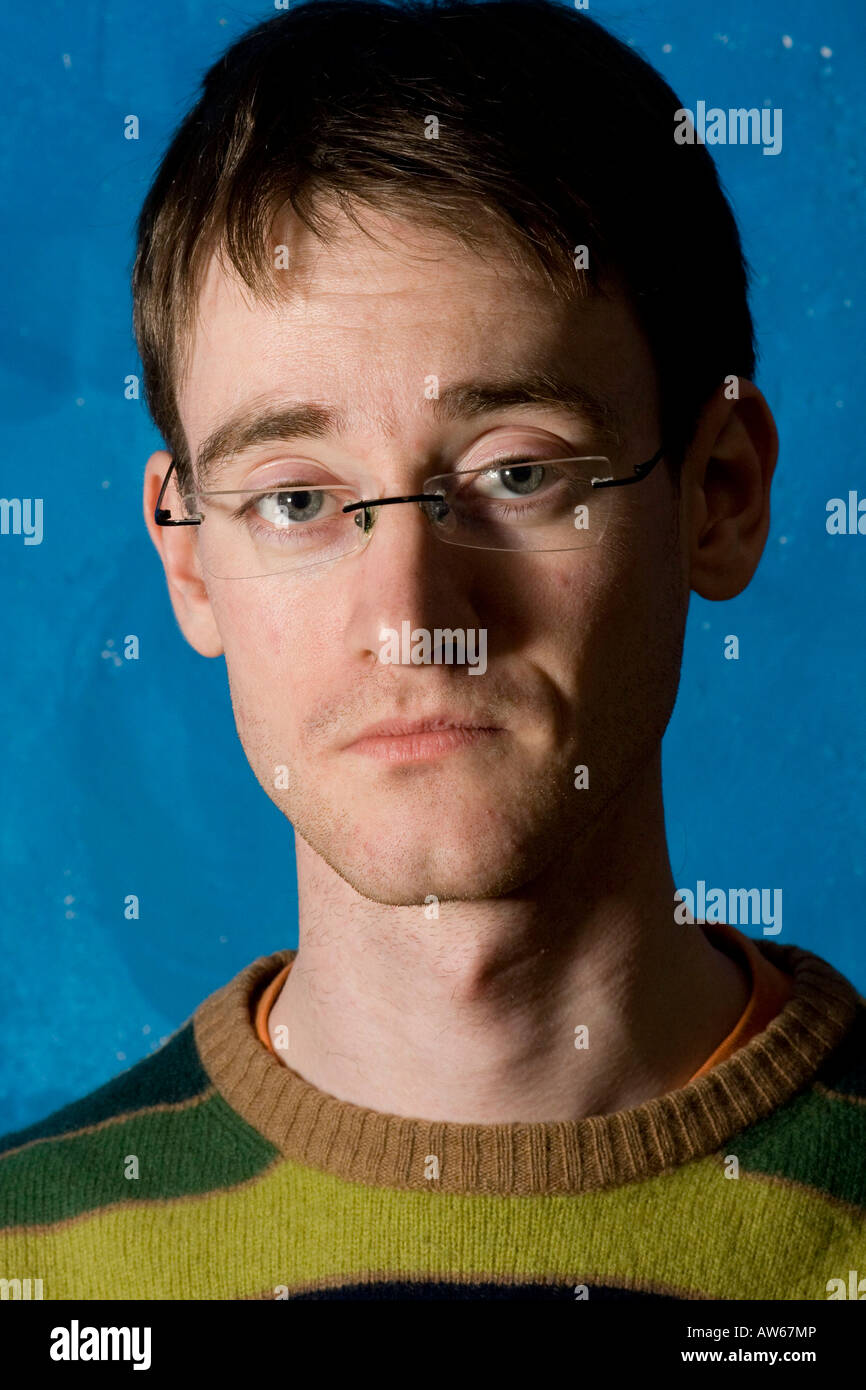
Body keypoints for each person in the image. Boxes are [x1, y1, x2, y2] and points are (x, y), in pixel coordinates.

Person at [1, 0, 863, 1301]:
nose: (410, 611)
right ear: (189, 559)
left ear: (719, 495)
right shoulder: (27, 1262)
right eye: (296, 497)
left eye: (516, 471)